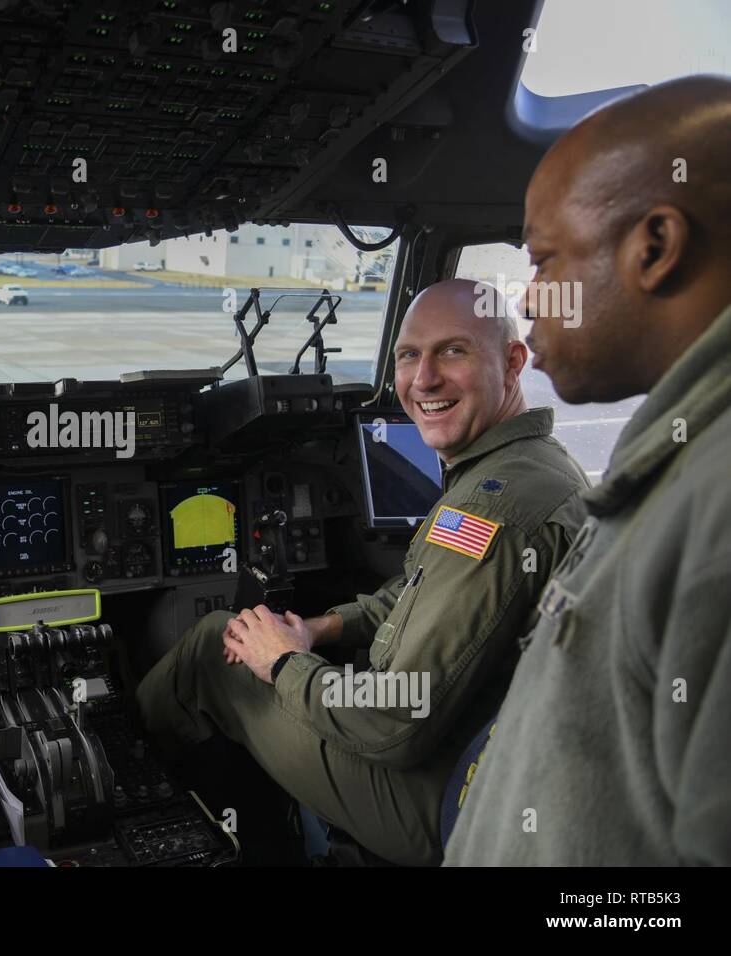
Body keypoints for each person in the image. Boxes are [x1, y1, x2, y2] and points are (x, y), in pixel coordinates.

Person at [137, 279, 590, 865]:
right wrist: (319, 630)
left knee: (209, 648)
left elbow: (393, 724)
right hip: (504, 767)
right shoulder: (535, 467)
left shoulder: (491, 509)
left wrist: (280, 662)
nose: (422, 379)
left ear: (512, 362)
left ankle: (132, 807)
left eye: (452, 351)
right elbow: (413, 595)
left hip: (451, 806)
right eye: (408, 355)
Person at [445, 75, 731, 865]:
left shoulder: (716, 508)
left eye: (544, 260)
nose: (530, 300)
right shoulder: (682, 462)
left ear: (654, 247)